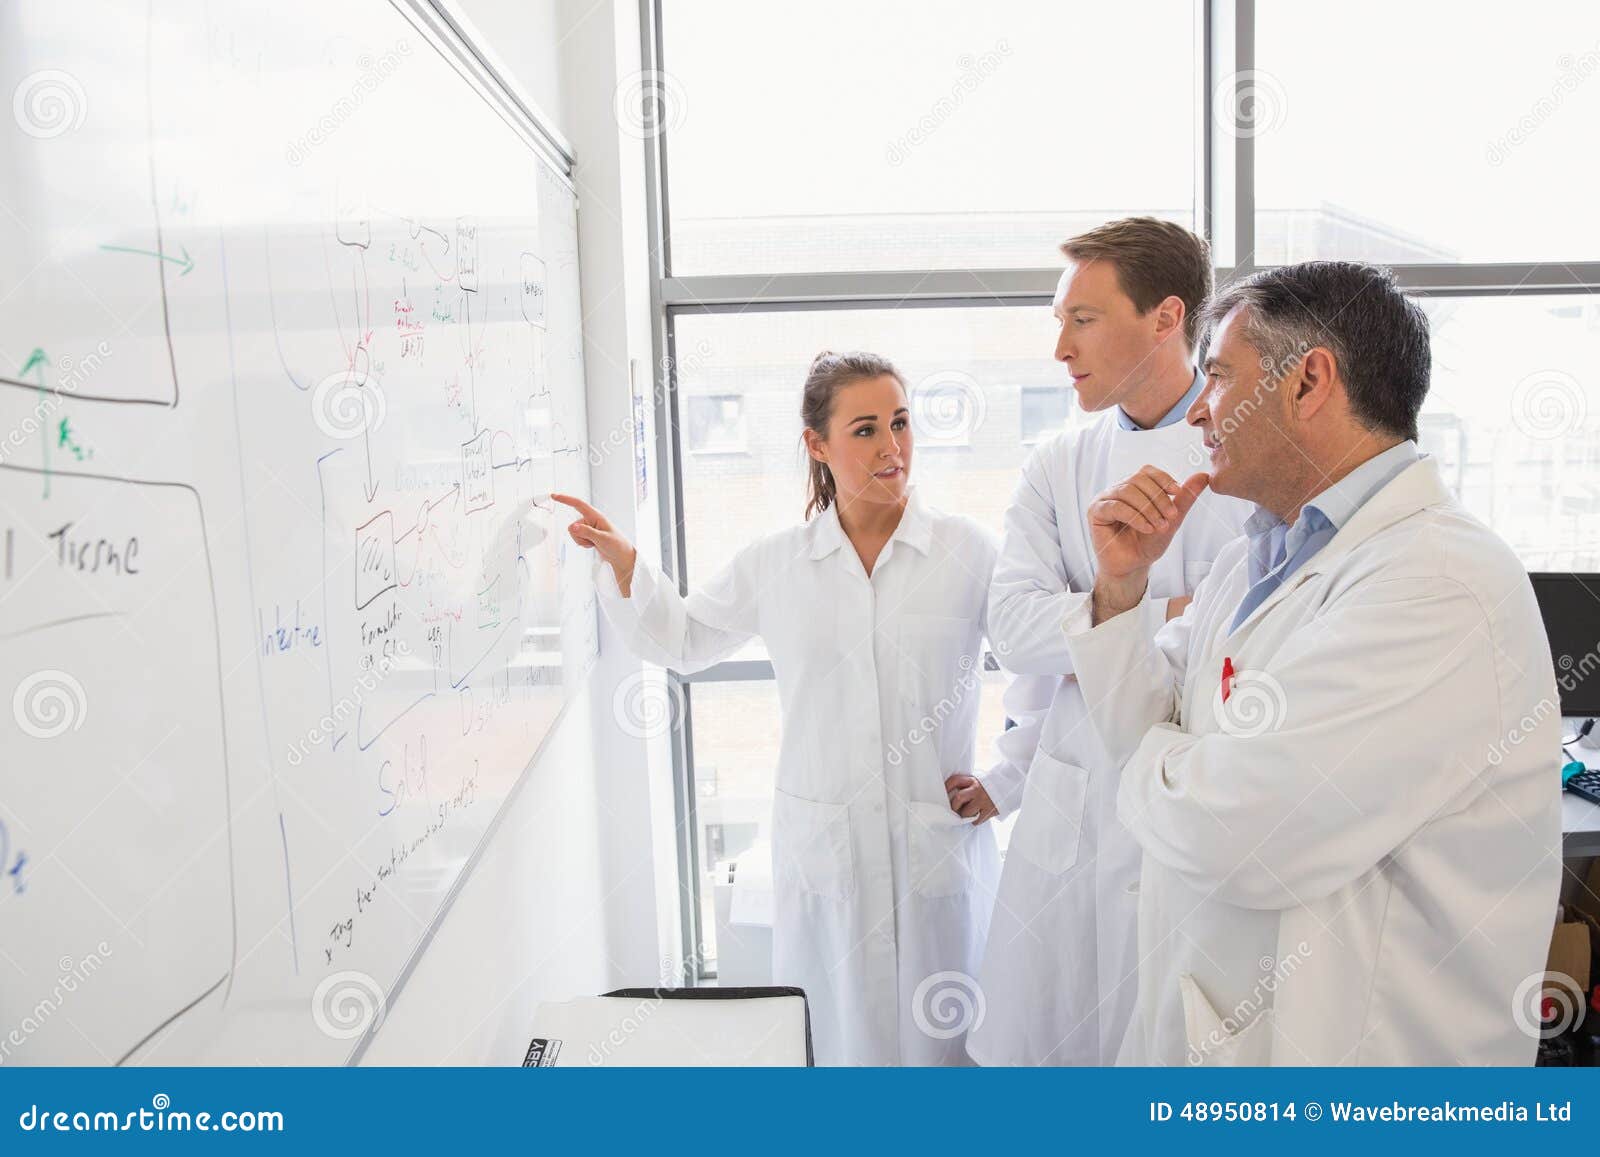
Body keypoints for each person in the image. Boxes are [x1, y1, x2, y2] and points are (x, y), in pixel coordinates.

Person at [1066, 260, 1561, 1065]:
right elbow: (1143, 733)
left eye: (1219, 377)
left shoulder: (1438, 582)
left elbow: (1242, 835)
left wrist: (1161, 766)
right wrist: (1122, 589)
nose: (1198, 410)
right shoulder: (1252, 560)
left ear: (1308, 382)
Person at [552, 350, 1043, 1066]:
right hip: (828, 853)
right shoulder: (779, 562)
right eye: (866, 429)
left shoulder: (967, 551)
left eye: (901, 423)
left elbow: (1041, 669)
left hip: (933, 850)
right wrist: (628, 567)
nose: (892, 446)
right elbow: (685, 638)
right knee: (839, 1048)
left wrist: (1007, 779)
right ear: (818, 445)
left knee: (949, 1052)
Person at [964, 218, 1250, 1066]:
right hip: (1077, 797)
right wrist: (1167, 609)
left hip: (1202, 789)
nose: (1060, 347)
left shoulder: (1245, 453)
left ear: (1167, 318)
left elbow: (1268, 630)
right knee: (1059, 1055)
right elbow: (1012, 627)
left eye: (1081, 319)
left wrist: (1098, 611)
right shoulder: (1057, 462)